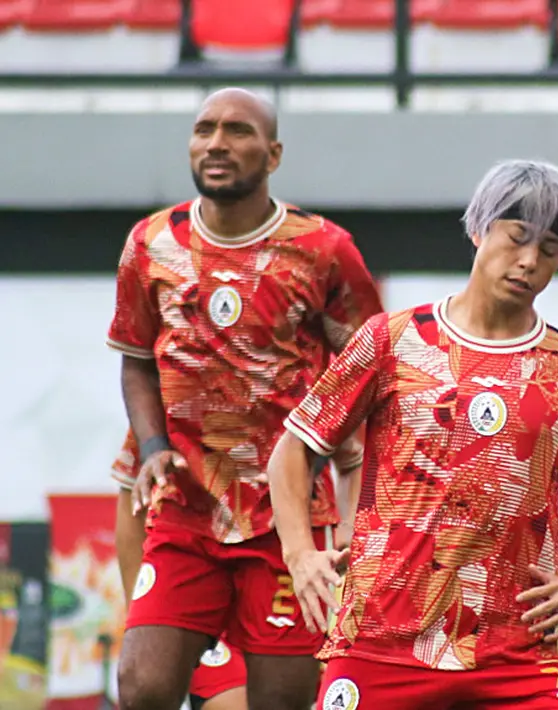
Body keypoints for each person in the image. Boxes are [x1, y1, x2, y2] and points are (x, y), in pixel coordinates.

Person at [267, 159, 558, 709]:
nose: (529, 260)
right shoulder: (391, 340)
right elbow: (293, 449)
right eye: (517, 238)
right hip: (380, 643)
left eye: (549, 249)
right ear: (479, 230)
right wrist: (300, 554)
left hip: (514, 654)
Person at [108, 87, 383, 710]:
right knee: (143, 687)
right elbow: (136, 360)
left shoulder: (324, 250)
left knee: (282, 699)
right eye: (205, 129)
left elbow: (371, 371)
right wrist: (152, 447)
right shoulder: (151, 242)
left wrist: (354, 499)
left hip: (287, 520)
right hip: (185, 509)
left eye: (238, 131)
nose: (217, 144)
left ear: (273, 154)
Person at [112, 432, 247, 710]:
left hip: (296, 586)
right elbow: (133, 499)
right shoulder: (162, 415)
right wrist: (147, 622)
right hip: (208, 595)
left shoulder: (319, 410)